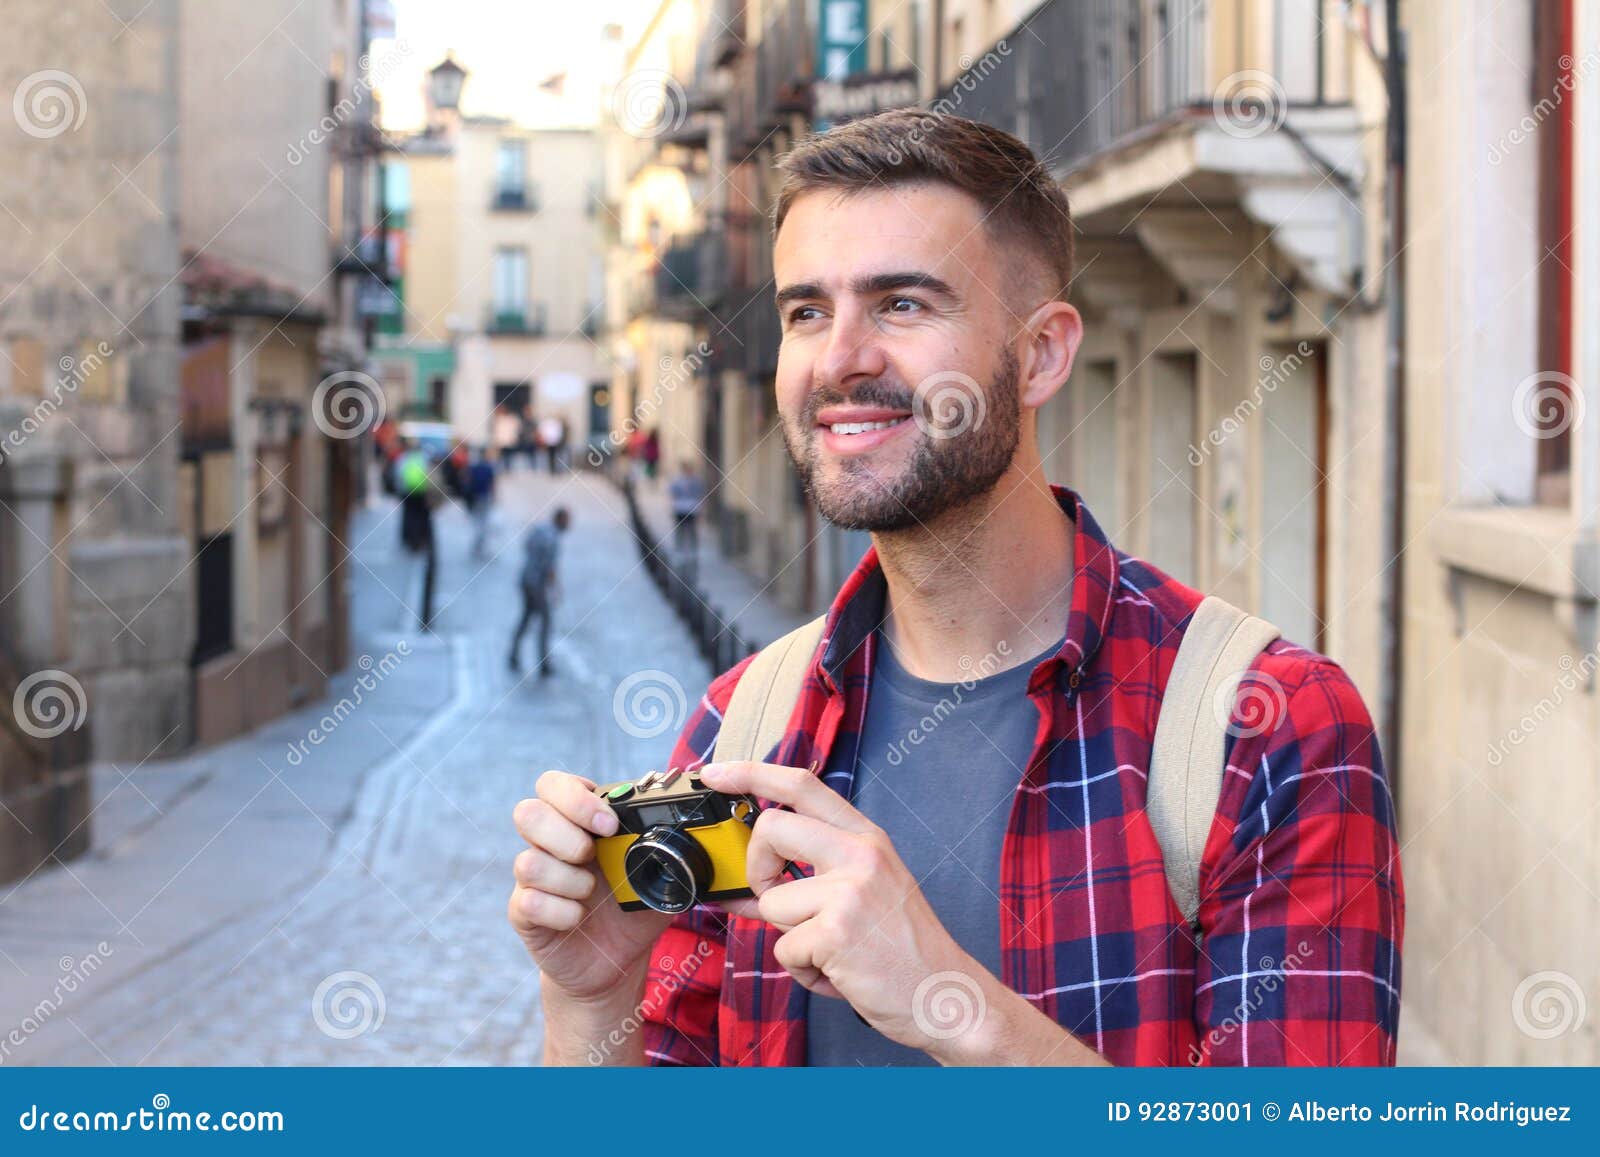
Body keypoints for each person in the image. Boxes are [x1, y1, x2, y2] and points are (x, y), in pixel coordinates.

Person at [509, 111, 1403, 1068]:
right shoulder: (746, 724)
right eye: (806, 311)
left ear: (1043, 354)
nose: (840, 358)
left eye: (902, 304)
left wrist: (951, 1002)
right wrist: (588, 996)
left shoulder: (1268, 728)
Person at [509, 507, 570, 677]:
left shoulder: (540, 529)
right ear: (561, 519)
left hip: (525, 579)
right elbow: (549, 568)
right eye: (567, 520)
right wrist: (556, 590)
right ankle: (544, 663)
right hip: (536, 584)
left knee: (526, 617)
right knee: (545, 621)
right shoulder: (554, 539)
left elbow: (526, 546)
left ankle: (513, 654)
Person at [667, 459, 706, 557]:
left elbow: (700, 495)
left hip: (692, 508)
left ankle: (693, 548)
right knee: (680, 529)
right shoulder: (677, 480)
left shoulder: (696, 481)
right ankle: (679, 547)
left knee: (691, 529)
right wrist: (671, 507)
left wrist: (701, 509)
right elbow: (672, 494)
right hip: (680, 508)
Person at [465, 447, 497, 558]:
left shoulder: (473, 467)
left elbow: (468, 481)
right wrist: (494, 497)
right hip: (484, 497)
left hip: (475, 497)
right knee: (484, 522)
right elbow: (492, 484)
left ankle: (477, 545)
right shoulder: (489, 468)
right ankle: (480, 544)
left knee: (478, 521)